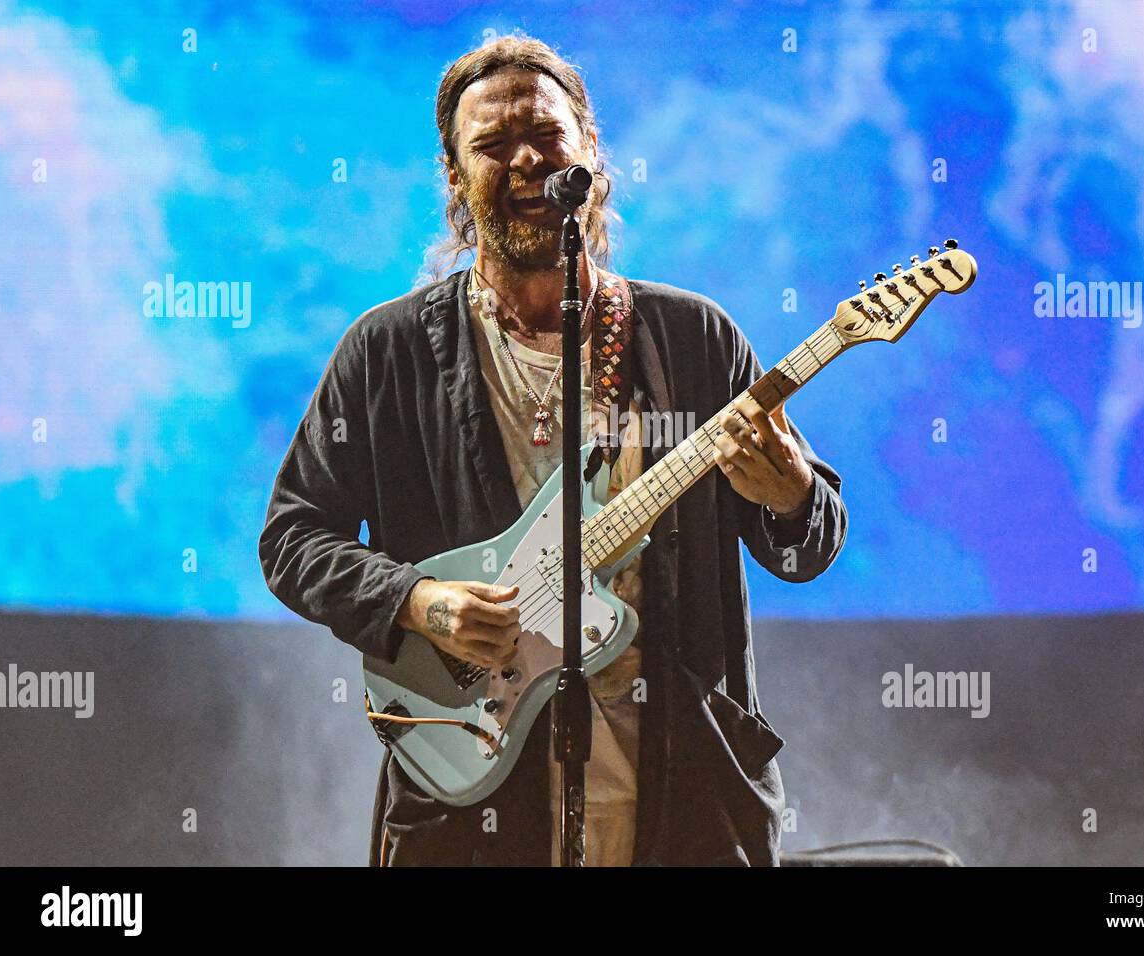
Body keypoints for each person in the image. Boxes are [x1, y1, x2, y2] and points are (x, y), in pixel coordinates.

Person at [259, 33, 847, 866]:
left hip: (683, 801)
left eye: (546, 134)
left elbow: (807, 545)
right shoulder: (385, 352)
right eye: (492, 147)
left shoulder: (694, 338)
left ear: (591, 154)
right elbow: (292, 538)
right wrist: (421, 603)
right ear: (456, 179)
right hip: (473, 800)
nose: (527, 158)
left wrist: (789, 493)